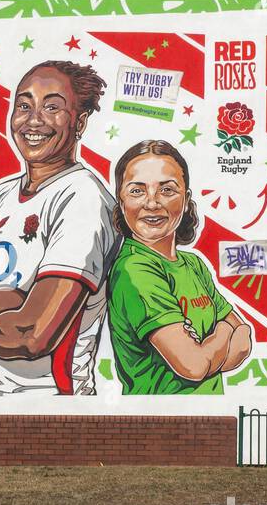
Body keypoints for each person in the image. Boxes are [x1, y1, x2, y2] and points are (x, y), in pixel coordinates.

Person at [0, 61, 119, 395]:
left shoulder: (83, 199)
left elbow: (31, 335)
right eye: (24, 105)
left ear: (79, 123)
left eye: (52, 107)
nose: (34, 120)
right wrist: (3, 300)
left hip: (56, 406)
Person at [106, 140, 253, 394]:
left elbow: (244, 340)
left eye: (167, 190)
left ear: (185, 201)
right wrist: (223, 331)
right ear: (121, 202)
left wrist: (208, 349)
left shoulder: (194, 264)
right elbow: (194, 366)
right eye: (137, 191)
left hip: (210, 416)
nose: (152, 203)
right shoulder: (134, 269)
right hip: (163, 420)